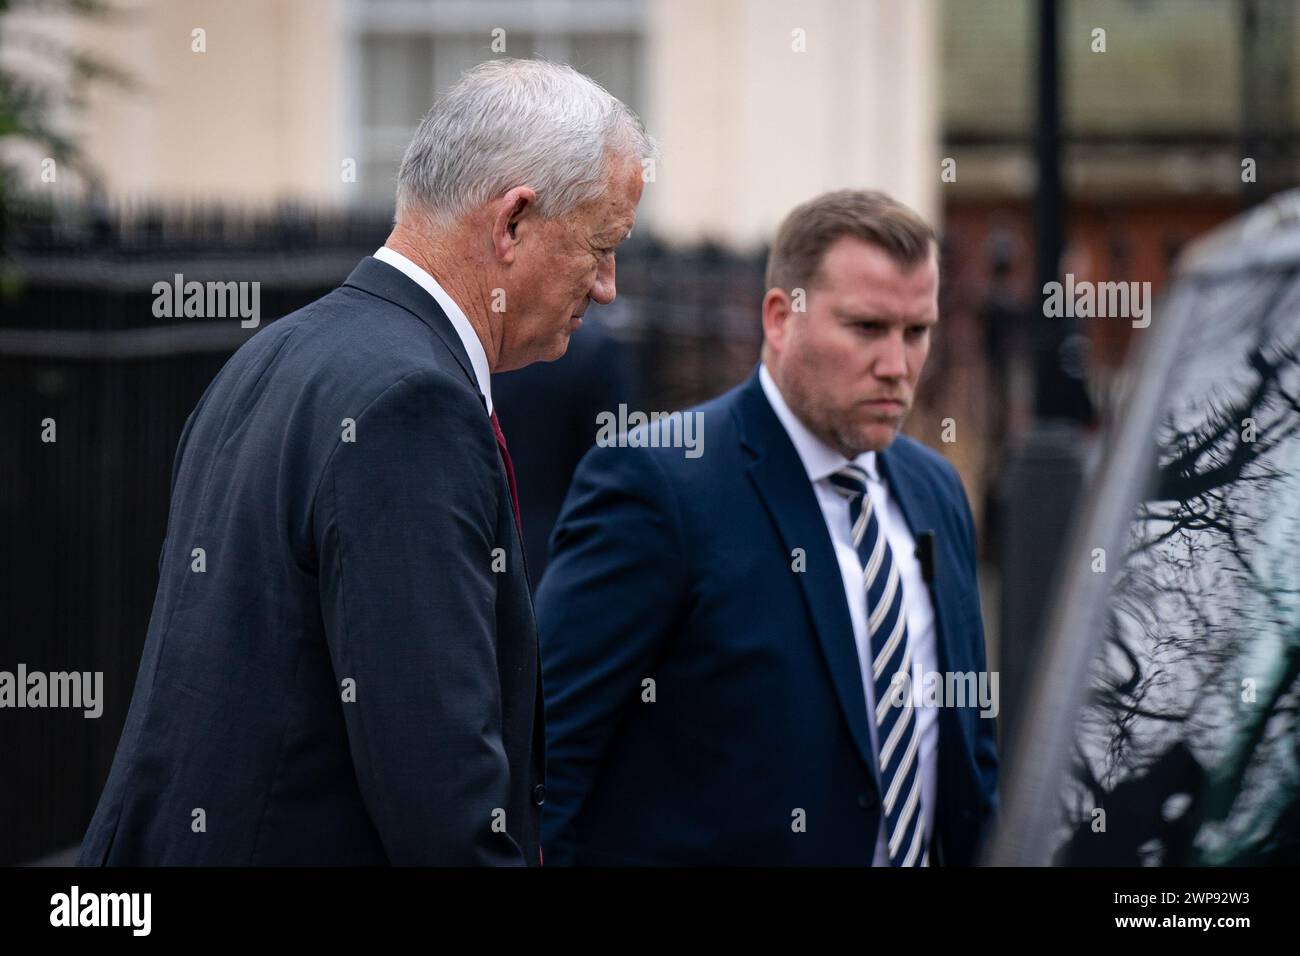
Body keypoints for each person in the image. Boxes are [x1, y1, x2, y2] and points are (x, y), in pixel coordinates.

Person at [78, 58, 650, 865]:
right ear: (513, 221)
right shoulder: (414, 405)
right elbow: (441, 797)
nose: (608, 287)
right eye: (601, 244)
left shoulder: (276, 352)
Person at [537, 190, 998, 865]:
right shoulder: (658, 485)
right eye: (867, 328)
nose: (897, 366)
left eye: (917, 331)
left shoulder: (936, 490)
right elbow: (549, 759)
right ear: (781, 318)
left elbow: (964, 753)